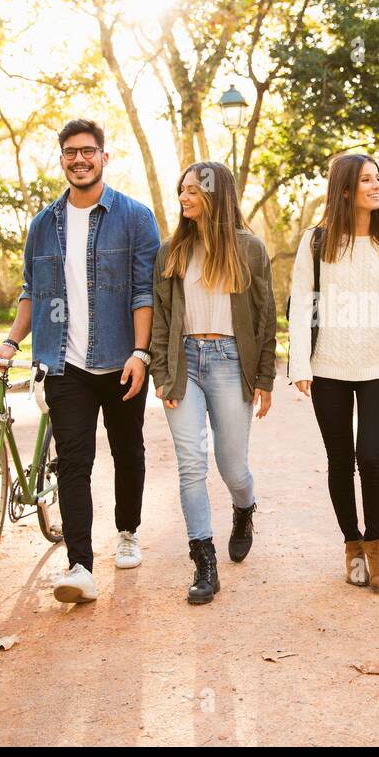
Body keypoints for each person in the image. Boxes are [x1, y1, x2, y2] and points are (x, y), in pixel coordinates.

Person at [0, 119, 160, 604]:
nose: (79, 159)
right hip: (64, 366)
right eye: (70, 152)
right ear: (61, 158)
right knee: (74, 464)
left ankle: (127, 531)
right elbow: (32, 292)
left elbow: (144, 292)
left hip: (122, 361)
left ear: (104, 157)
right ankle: (80, 565)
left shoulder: (135, 217)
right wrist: (11, 342)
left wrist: (140, 353)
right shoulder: (44, 224)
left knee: (128, 452)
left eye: (88, 151)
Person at [150, 161, 276, 605]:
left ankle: (245, 508)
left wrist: (265, 378)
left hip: (228, 361)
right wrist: (161, 375)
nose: (183, 198)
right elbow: (162, 319)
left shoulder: (250, 249)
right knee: (191, 464)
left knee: (231, 466)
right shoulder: (170, 251)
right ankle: (204, 561)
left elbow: (265, 318)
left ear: (215, 196)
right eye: (181, 189)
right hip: (184, 364)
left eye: (192, 191)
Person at [288, 153, 379, 589]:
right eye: (365, 180)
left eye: (378, 178)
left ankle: (376, 542)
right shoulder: (316, 242)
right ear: (344, 190)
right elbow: (301, 303)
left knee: (371, 456)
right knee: (340, 460)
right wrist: (300, 363)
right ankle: (351, 545)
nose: (376, 186)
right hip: (328, 369)